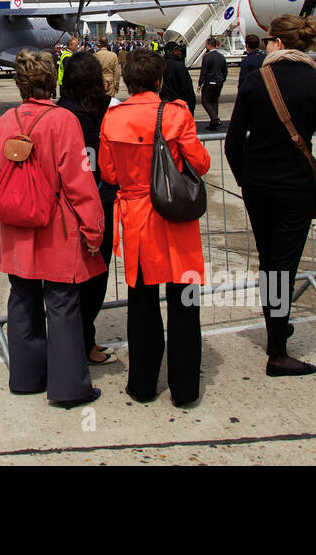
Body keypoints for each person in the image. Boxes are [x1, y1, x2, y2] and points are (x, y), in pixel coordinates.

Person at [0, 50, 105, 407]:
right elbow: (79, 181)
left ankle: (26, 377)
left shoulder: (8, 119)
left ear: (19, 83)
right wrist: (93, 229)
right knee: (63, 303)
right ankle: (69, 387)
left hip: (18, 225)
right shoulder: (63, 120)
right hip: (56, 225)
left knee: (22, 299)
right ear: (50, 80)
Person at [225, 15, 316, 377]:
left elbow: (232, 143)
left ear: (275, 43)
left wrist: (246, 179)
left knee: (267, 261)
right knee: (283, 268)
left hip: (258, 187)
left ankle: (277, 327)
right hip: (297, 189)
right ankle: (277, 352)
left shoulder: (256, 81)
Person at [100, 49, 211, 405]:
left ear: (128, 81)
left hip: (135, 217)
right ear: (160, 79)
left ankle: (143, 385)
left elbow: (109, 174)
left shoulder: (112, 120)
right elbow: (201, 162)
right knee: (185, 302)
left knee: (142, 302)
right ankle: (184, 388)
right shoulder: (176, 114)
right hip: (174, 217)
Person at [58, 53, 119, 367]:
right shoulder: (100, 112)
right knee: (94, 278)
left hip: (67, 208)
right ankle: (83, 343)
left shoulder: (63, 113)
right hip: (95, 204)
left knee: (72, 282)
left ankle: (76, 340)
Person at [198, 37, 228, 130]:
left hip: (210, 82)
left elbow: (204, 71)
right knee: (214, 101)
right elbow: (225, 71)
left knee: (205, 101)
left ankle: (215, 119)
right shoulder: (221, 56)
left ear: (209, 45)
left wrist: (200, 83)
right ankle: (213, 123)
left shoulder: (207, 57)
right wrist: (222, 80)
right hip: (219, 82)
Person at [159, 42, 197, 113]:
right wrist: (192, 102)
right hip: (180, 102)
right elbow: (186, 86)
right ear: (174, 51)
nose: (180, 52)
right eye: (178, 50)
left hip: (165, 103)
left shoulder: (160, 65)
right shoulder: (179, 66)